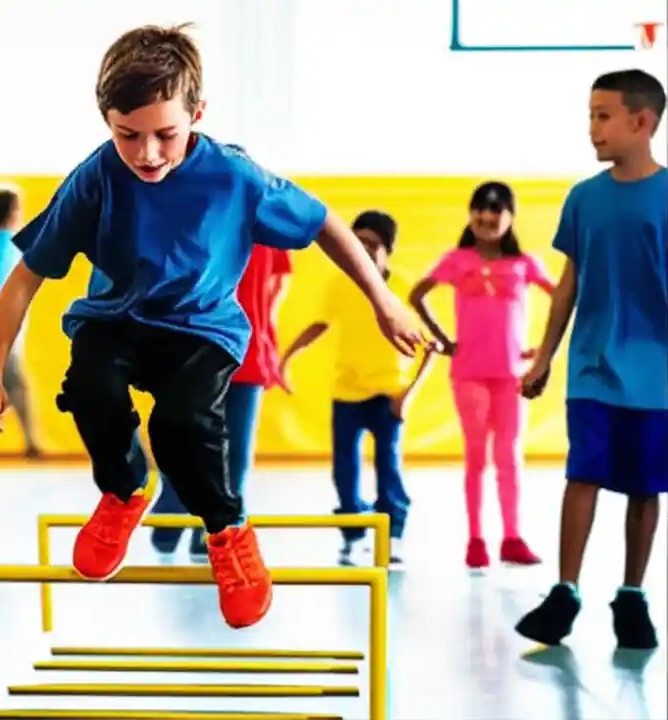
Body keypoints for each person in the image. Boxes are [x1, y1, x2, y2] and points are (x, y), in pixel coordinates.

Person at [0, 24, 425, 629]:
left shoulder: (234, 177)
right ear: (106, 120)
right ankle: (126, 489)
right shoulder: (98, 176)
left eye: (166, 134)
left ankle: (229, 532)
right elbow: (25, 277)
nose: (147, 153)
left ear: (198, 113)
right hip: (116, 319)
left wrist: (381, 299)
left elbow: (324, 225)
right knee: (88, 388)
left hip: (201, 329)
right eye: (127, 135)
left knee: (184, 426)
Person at [515, 69, 667, 650]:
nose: (593, 128)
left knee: (644, 488)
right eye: (590, 116)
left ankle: (632, 594)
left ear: (641, 122)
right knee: (583, 474)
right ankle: (566, 590)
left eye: (603, 116)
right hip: (593, 368)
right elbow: (567, 285)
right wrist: (545, 356)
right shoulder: (584, 198)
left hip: (657, 376)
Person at [410, 181, 553, 569]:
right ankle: (475, 538)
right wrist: (444, 340)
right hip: (469, 373)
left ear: (510, 217)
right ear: (471, 214)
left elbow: (562, 297)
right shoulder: (457, 260)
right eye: (480, 209)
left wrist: (544, 348)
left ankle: (512, 536)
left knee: (509, 456)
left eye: (496, 210)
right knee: (476, 457)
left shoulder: (524, 264)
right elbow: (417, 294)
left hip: (511, 376)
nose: (487, 217)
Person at [280, 211, 435, 567]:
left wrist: (407, 396)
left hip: (388, 395)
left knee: (389, 468)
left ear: (389, 250)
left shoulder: (404, 290)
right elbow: (318, 325)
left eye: (373, 245)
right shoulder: (340, 285)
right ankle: (353, 536)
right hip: (347, 394)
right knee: (345, 470)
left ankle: (393, 536)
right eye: (358, 242)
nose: (364, 250)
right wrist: (286, 358)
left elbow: (431, 349)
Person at [150, 243, 294, 559]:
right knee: (210, 442)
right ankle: (192, 513)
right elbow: (281, 279)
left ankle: (207, 524)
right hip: (213, 342)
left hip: (226, 344)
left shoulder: (260, 214)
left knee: (215, 444)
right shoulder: (263, 212)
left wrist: (265, 317)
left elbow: (281, 277)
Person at [0, 182, 43, 458]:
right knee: (14, 387)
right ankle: (31, 443)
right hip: (6, 334)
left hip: (6, 334)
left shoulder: (0, 245)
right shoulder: (6, 248)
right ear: (12, 212)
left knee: (3, 388)